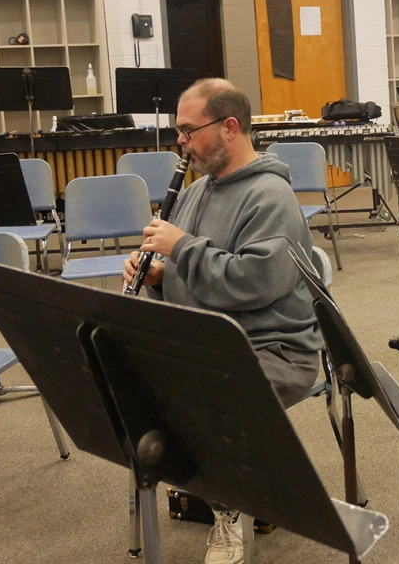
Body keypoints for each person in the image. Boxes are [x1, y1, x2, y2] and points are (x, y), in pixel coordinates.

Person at [122, 78, 323, 564]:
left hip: (273, 350)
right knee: (136, 385)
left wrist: (180, 249)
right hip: (211, 344)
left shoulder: (270, 196)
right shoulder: (194, 194)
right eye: (179, 131)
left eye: (189, 131)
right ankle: (239, 482)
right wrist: (154, 276)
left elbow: (253, 283)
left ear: (230, 127)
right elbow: (190, 277)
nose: (181, 142)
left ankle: (233, 505)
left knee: (193, 401)